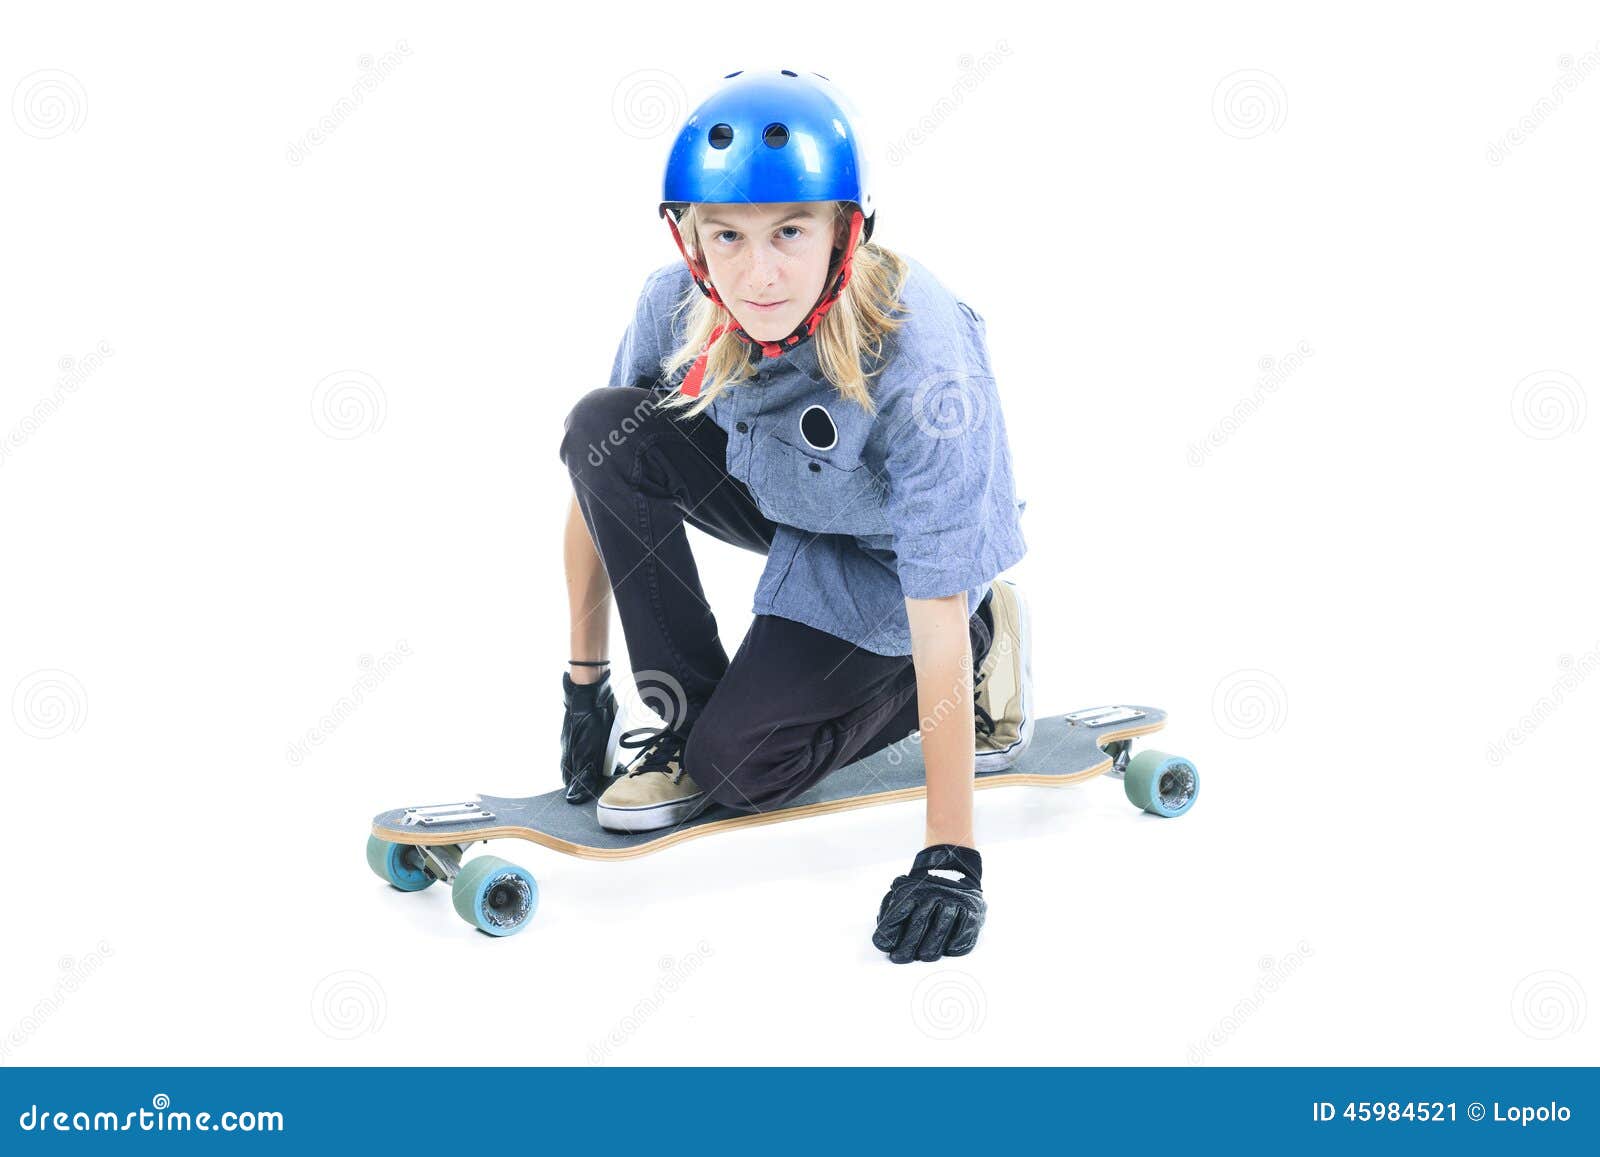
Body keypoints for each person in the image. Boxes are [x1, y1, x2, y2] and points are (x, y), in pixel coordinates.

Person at [557, 69, 1031, 963]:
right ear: (693, 240)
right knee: (602, 424)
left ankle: (988, 639)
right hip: (789, 496)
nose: (758, 271)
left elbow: (928, 599)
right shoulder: (678, 303)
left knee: (741, 767)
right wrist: (584, 690)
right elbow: (598, 476)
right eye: (727, 236)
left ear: (844, 231)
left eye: (789, 232)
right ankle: (681, 714)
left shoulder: (926, 370)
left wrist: (952, 856)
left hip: (901, 569)